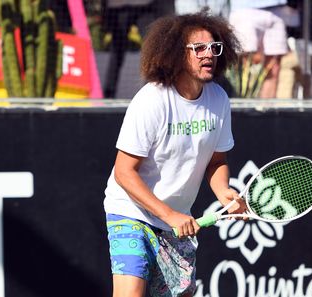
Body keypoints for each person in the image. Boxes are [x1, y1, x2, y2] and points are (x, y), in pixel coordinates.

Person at [103, 10, 247, 297]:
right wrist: (169, 215)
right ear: (176, 54)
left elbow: (216, 161)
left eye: (214, 48)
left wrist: (223, 192)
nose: (209, 54)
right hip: (130, 213)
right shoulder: (152, 100)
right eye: (199, 48)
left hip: (178, 221)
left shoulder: (219, 99)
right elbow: (123, 172)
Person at [228, 0, 289, 98]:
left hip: (277, 10)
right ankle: (236, 109)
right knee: (241, 65)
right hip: (245, 8)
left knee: (273, 67)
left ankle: (265, 110)